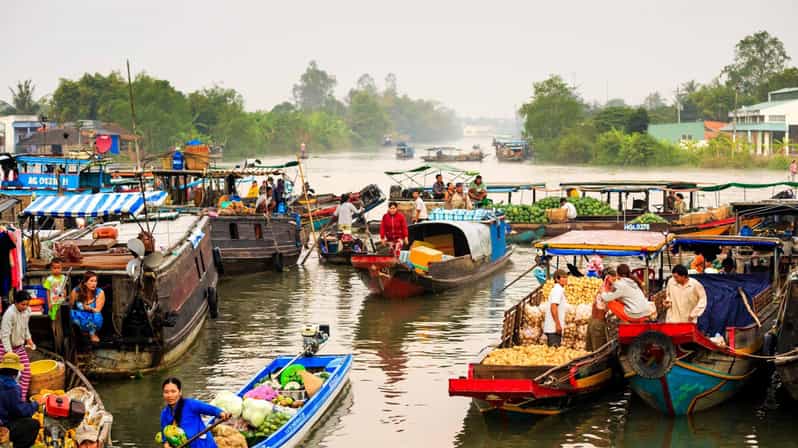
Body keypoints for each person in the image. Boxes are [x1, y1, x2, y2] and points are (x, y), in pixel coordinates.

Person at [160, 377, 230, 448]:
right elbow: (165, 438)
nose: (170, 395)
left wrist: (221, 413)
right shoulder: (164, 414)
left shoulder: (190, 404)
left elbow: (209, 409)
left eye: (173, 391)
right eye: (166, 392)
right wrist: (166, 445)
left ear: (180, 392)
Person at [0, 353, 39, 448]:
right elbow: (21, 411)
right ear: (16, 372)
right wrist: (36, 404)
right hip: (3, 423)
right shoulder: (11, 388)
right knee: (33, 424)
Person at [69, 272, 105, 344]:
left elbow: (98, 310)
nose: (94, 283)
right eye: (91, 281)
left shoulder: (100, 292)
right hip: (80, 315)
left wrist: (86, 307)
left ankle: (92, 333)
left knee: (97, 316)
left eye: (95, 281)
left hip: (92, 315)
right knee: (72, 313)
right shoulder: (76, 291)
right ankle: (82, 331)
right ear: (85, 282)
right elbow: (71, 306)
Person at [543, 269, 569, 347]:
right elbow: (553, 307)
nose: (566, 279)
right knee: (554, 351)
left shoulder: (559, 289)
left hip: (553, 328)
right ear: (557, 279)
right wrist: (557, 324)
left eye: (566, 277)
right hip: (553, 329)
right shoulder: (557, 290)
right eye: (563, 277)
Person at [586, 277, 609, 352]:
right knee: (599, 352)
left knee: (591, 351)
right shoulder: (605, 293)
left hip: (592, 321)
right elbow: (605, 309)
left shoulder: (600, 291)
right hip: (598, 324)